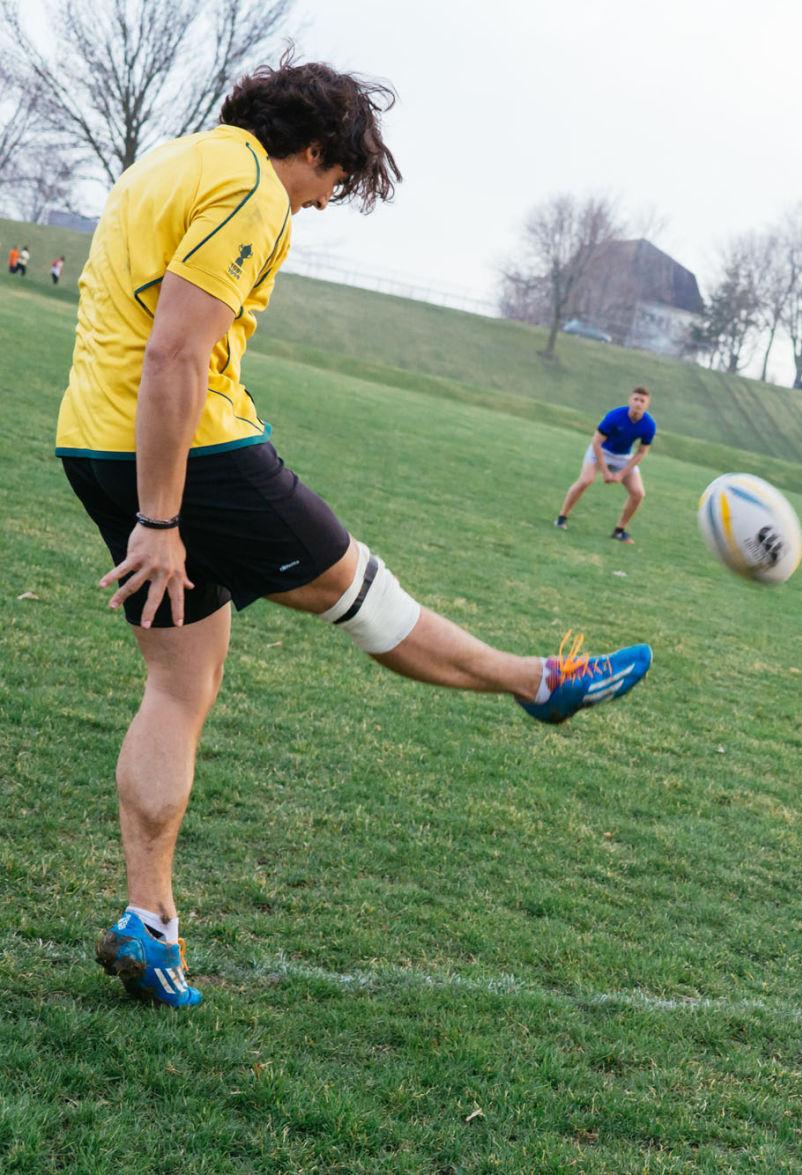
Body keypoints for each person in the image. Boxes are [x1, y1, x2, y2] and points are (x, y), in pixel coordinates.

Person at [56, 57, 653, 1010]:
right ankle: (537, 683)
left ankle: (150, 924)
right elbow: (175, 349)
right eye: (334, 180)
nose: (325, 203)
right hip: (189, 450)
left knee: (179, 679)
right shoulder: (252, 187)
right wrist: (161, 518)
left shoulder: (160, 167)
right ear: (310, 147)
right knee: (366, 598)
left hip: (91, 441)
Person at [555, 386, 656, 542]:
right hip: (601, 451)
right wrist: (606, 472)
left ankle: (619, 530)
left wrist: (622, 474)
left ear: (647, 404)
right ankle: (562, 517)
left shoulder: (649, 425)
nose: (638, 403)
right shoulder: (614, 416)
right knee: (586, 480)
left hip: (623, 457)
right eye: (635, 399)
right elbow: (596, 443)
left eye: (642, 401)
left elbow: (641, 452)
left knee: (638, 493)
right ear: (630, 400)